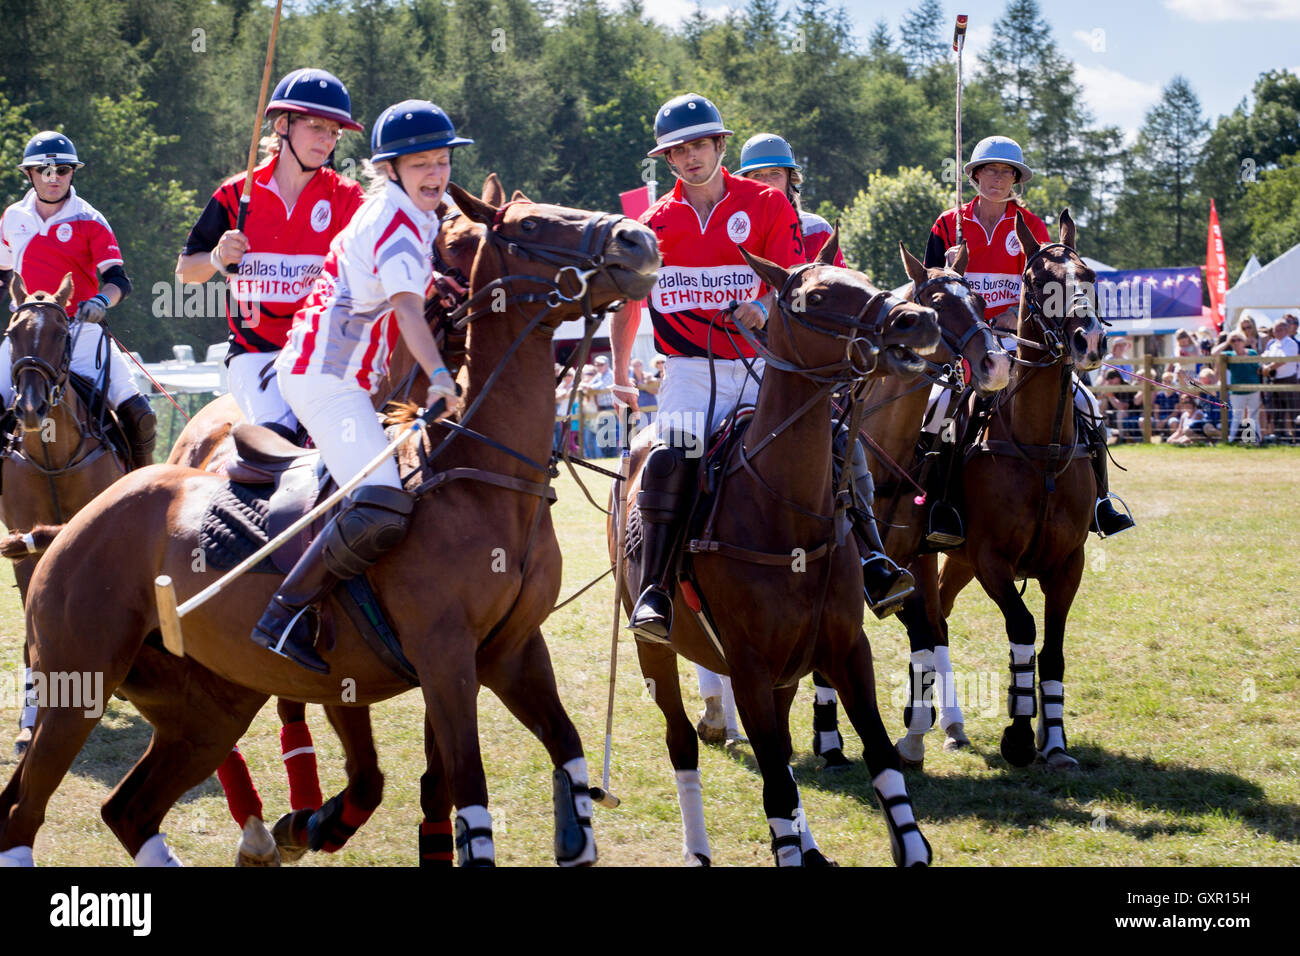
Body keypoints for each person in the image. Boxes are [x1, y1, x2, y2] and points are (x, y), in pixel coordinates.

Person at [611, 93, 912, 645]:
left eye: (700, 144)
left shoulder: (767, 206)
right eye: (679, 151)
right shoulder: (653, 225)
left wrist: (767, 306)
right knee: (668, 457)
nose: (691, 157)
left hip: (763, 365)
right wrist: (619, 373)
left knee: (841, 442)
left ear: (719, 145)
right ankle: (654, 589)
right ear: (667, 160)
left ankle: (872, 560)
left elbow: (800, 283)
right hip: (690, 371)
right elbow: (627, 304)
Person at [249, 100, 468, 672]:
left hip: (346, 377)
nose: (436, 174)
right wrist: (442, 377)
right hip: (325, 379)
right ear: (390, 169)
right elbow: (405, 309)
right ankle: (283, 614)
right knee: (381, 500)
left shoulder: (413, 211)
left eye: (442, 161)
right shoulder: (394, 222)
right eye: (420, 163)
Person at [922, 135, 1133, 540]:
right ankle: (940, 505)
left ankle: (1101, 502)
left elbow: (1050, 288)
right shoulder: (948, 225)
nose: (997, 179)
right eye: (990, 170)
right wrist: (947, 271)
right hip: (965, 343)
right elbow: (927, 290)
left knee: (1087, 404)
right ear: (975, 175)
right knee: (938, 408)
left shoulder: (1031, 226)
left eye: (1006, 172)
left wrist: (1009, 314)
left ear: (1015, 179)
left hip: (1020, 341)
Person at [177, 68, 366, 440]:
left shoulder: (347, 197)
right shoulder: (235, 194)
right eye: (316, 126)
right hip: (257, 355)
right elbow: (185, 273)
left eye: (333, 132)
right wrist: (216, 258)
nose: (327, 140)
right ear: (283, 124)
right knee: (278, 442)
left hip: (322, 356)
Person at [0, 130, 154, 470]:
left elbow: (117, 280)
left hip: (80, 331)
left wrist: (100, 302)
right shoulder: (12, 217)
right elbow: (3, 274)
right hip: (26, 337)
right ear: (30, 174)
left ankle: (143, 494)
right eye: (44, 170)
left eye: (63, 170)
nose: (54, 178)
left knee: (140, 415)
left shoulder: (90, 219)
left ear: (73, 173)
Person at [735, 133, 846, 267]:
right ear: (746, 182)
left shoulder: (817, 229)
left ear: (790, 179)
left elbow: (840, 285)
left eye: (775, 173)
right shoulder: (734, 232)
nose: (767, 182)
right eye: (757, 175)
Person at [1212, 330, 1262, 443]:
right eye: (1233, 340)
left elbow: (1259, 368)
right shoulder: (1228, 355)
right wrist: (1226, 343)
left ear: (1243, 341)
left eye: (1239, 340)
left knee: (1253, 416)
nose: (1236, 342)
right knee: (1237, 416)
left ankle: (1257, 439)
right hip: (1237, 392)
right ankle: (1231, 440)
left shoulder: (1252, 353)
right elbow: (1214, 353)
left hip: (1253, 389)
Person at [1261, 316, 1298, 443]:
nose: (1278, 332)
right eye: (1276, 330)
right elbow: (1264, 357)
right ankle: (1280, 436)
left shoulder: (1291, 343)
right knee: (1277, 410)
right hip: (1274, 380)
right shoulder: (1272, 344)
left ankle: (1297, 437)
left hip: (1289, 380)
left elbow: (1284, 359)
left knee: (1293, 410)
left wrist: (1268, 367)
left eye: (1281, 329)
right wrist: (1265, 367)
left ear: (1286, 330)